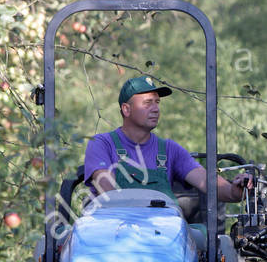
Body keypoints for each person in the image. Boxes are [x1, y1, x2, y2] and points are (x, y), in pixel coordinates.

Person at [83, 75, 250, 203]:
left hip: (161, 236)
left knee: (202, 239)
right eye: (148, 103)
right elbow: (108, 193)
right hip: (116, 233)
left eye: (157, 102)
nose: (155, 109)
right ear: (126, 110)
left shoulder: (170, 150)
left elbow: (207, 182)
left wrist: (236, 189)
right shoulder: (101, 144)